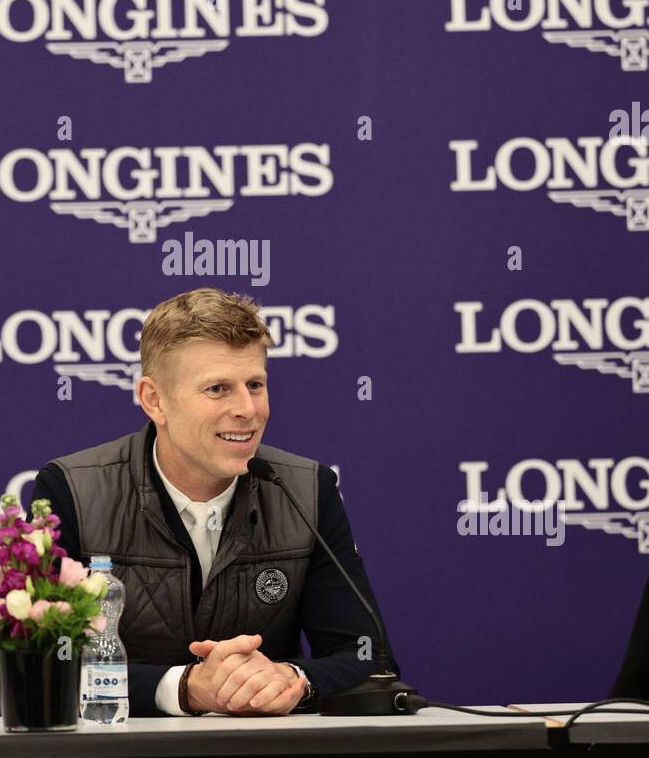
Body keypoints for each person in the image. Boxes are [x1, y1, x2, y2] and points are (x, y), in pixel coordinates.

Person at [27, 287, 400, 716]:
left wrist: (293, 680)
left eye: (255, 385)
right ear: (154, 400)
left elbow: (370, 660)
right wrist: (185, 687)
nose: (248, 409)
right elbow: (43, 664)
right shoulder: (70, 491)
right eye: (218, 388)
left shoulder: (306, 489)